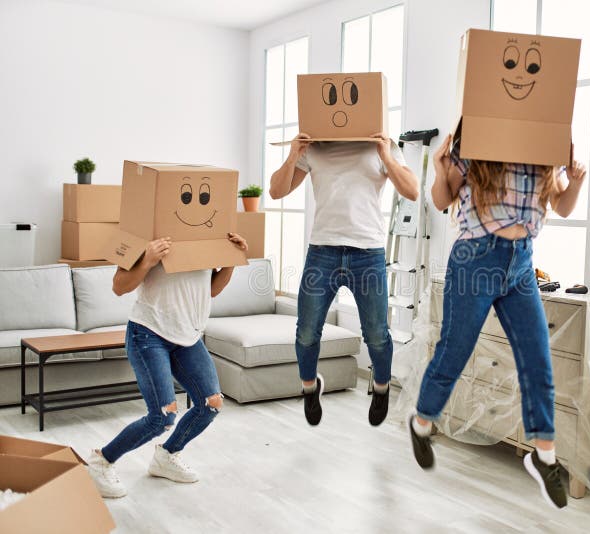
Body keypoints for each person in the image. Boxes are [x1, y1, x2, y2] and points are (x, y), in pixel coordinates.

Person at [408, 133, 587, 510]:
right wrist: (441, 171)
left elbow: (562, 205)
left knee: (537, 360)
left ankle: (545, 457)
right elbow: (441, 201)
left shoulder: (542, 142)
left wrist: (576, 181)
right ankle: (422, 421)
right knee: (455, 350)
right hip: (476, 258)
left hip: (521, 262)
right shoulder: (475, 138)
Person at [270, 132, 419, 427]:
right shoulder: (315, 145)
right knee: (306, 332)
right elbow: (276, 192)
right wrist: (293, 154)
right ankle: (310, 387)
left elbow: (412, 191)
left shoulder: (382, 143)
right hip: (322, 251)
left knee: (377, 334)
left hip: (368, 253)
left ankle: (381, 387)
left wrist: (386, 155)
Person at [87, 232, 248, 498]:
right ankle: (100, 462)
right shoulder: (142, 231)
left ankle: (166, 455)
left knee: (211, 404)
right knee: (162, 416)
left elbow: (211, 289)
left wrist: (231, 258)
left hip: (188, 334)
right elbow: (119, 286)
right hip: (148, 333)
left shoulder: (206, 230)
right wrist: (147, 261)